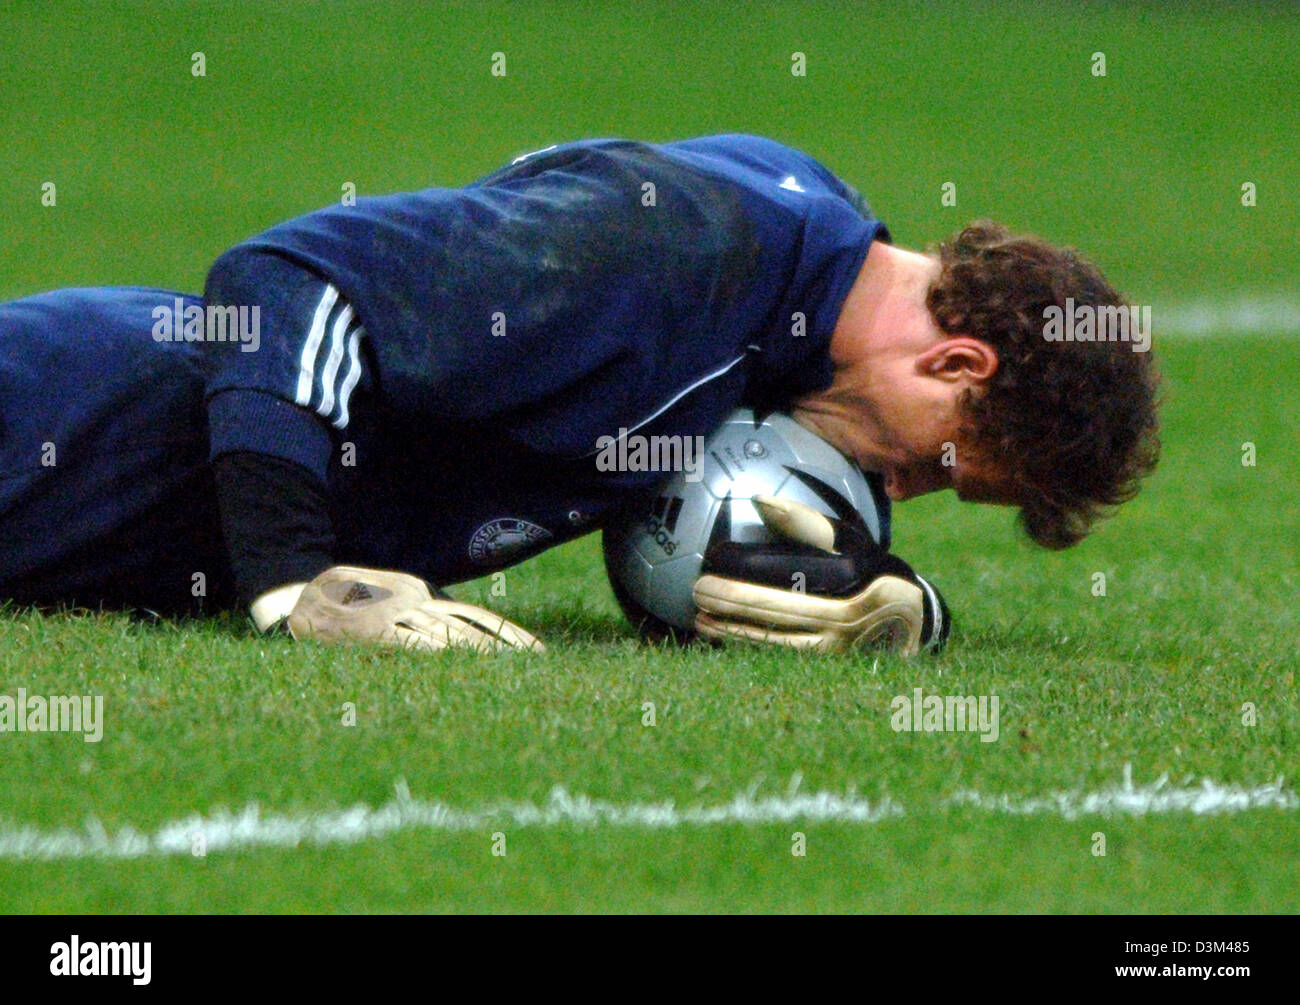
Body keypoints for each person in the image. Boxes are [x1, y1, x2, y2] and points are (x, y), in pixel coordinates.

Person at [0, 134, 1159, 653]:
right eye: (933, 466)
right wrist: (295, 578)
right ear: (959, 364)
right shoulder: (680, 251)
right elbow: (284, 280)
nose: (890, 488)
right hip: (51, 428)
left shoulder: (808, 286)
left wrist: (892, 608)